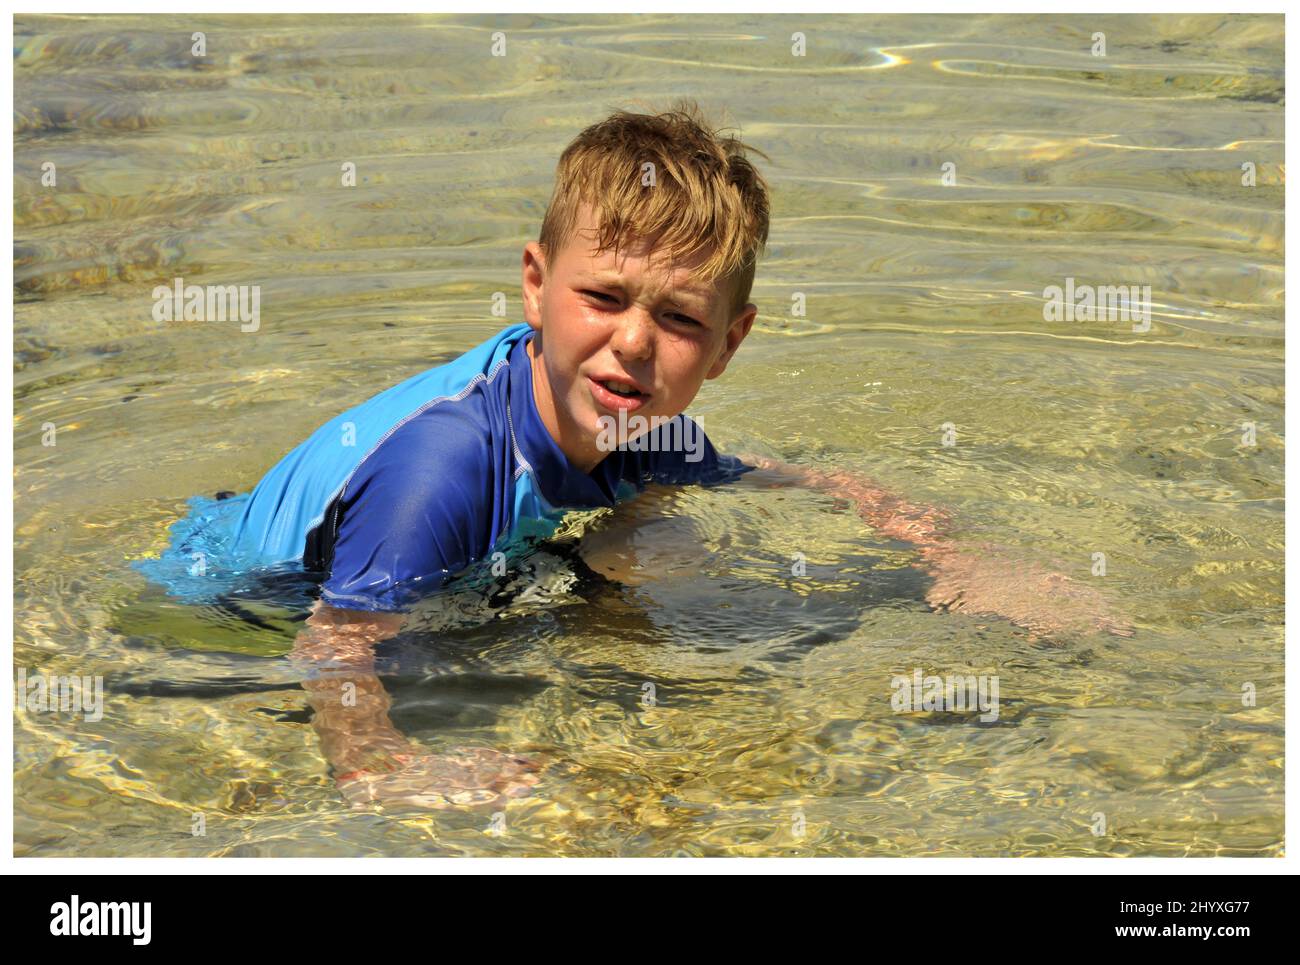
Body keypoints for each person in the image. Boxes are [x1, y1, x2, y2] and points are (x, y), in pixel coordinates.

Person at [137, 101, 1130, 810]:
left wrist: (955, 556)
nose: (635, 342)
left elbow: (791, 476)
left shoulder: (633, 424)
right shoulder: (441, 466)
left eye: (679, 317)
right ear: (535, 285)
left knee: (665, 528)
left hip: (382, 579)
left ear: (730, 343)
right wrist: (381, 765)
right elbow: (334, 645)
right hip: (234, 622)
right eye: (604, 297)